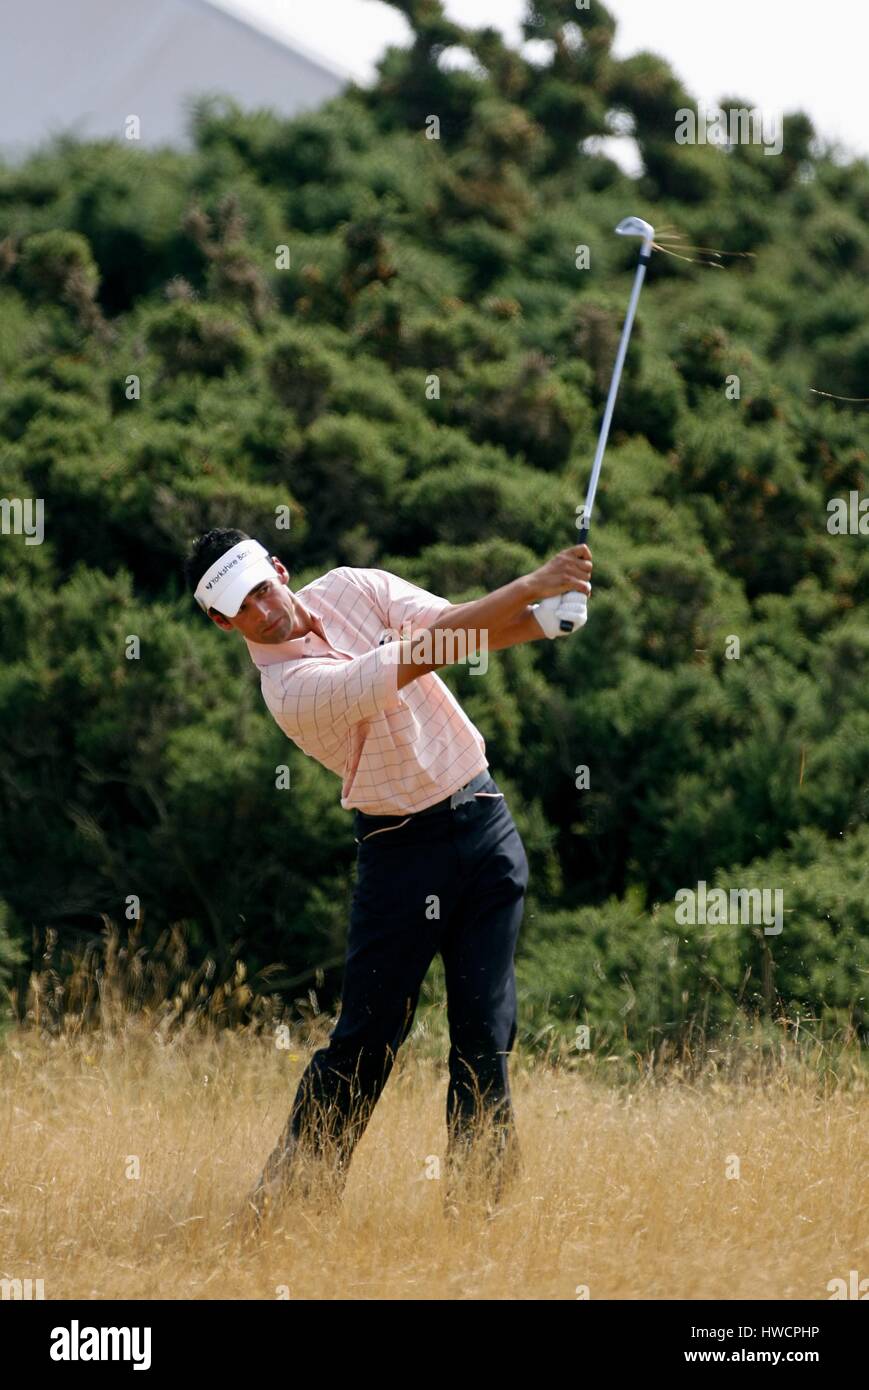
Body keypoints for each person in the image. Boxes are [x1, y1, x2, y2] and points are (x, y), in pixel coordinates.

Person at [183, 529, 592, 1226]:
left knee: (484, 1035)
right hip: (401, 854)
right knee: (366, 1043)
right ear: (222, 623)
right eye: (241, 607)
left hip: (485, 821)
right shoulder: (289, 690)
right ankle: (288, 1213)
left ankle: (478, 1218)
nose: (262, 609)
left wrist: (539, 623)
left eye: (261, 587)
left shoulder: (350, 586)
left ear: (278, 569)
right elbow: (416, 656)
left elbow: (449, 630)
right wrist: (531, 586)